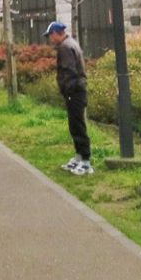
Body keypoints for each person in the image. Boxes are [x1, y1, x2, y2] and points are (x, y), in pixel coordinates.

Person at [45, 21, 91, 174]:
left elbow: (69, 71)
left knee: (77, 125)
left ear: (56, 34)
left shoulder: (65, 48)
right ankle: (79, 156)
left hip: (75, 91)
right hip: (78, 89)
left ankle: (85, 160)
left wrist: (66, 89)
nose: (50, 40)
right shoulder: (71, 43)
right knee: (76, 125)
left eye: (50, 36)